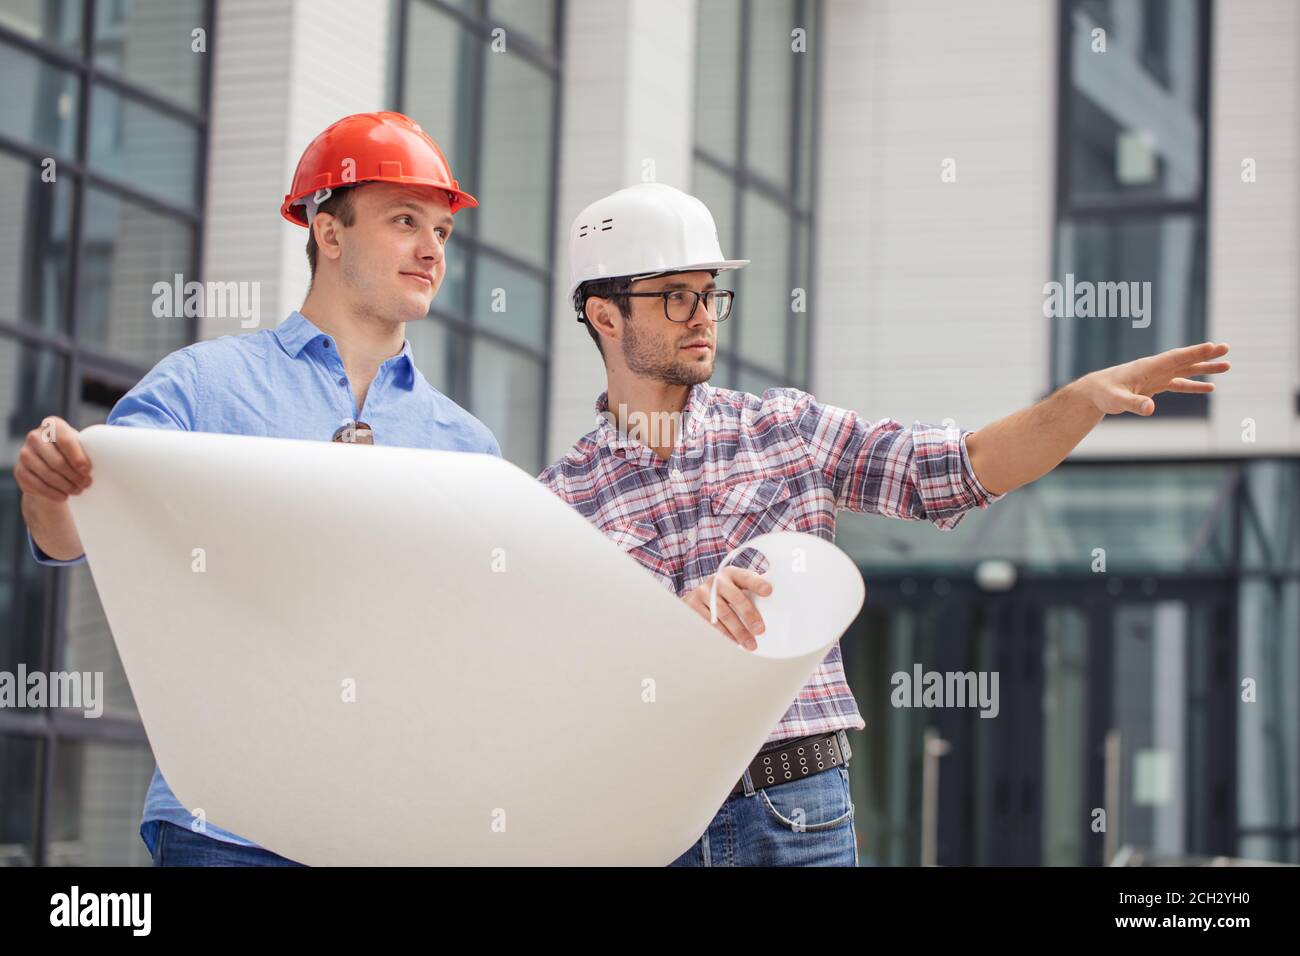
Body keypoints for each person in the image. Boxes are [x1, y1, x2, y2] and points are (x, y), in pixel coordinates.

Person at [540, 182, 1232, 867]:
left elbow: (963, 467)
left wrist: (1078, 403)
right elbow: (565, 686)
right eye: (675, 296)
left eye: (709, 292)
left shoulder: (786, 430)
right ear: (605, 316)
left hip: (797, 810)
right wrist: (665, 629)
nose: (702, 316)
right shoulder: (559, 503)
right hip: (654, 826)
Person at [15, 111, 499, 866]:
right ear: (328, 233)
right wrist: (51, 486)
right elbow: (75, 532)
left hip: (393, 829)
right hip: (228, 827)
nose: (432, 248)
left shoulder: (469, 448)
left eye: (441, 230)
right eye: (406, 221)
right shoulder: (206, 386)